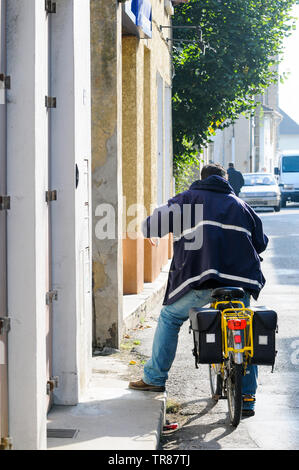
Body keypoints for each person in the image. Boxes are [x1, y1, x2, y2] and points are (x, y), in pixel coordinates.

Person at [129, 163, 268, 417]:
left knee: (170, 317)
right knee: (245, 326)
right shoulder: (241, 206)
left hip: (200, 281)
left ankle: (155, 377)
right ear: (226, 180)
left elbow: (150, 226)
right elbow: (261, 243)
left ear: (201, 179)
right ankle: (247, 396)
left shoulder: (188, 201)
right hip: (240, 282)